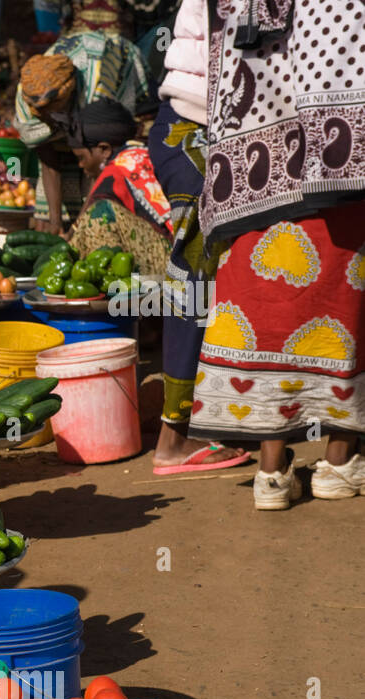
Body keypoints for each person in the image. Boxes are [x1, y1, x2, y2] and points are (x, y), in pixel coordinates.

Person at [189, 0, 365, 509]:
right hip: (338, 162)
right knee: (339, 302)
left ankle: (271, 474)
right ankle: (336, 462)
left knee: (264, 310)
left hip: (251, 167)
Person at [144, 0, 249, 474]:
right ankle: (172, 441)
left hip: (209, 132)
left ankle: (212, 417)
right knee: (193, 275)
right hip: (194, 130)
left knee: (216, 273)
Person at [15, 30, 151, 233]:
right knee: (52, 216)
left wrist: (78, 229)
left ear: (67, 99)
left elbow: (99, 161)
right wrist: (55, 222)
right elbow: (48, 159)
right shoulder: (28, 98)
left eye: (52, 112)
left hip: (116, 69)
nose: (46, 116)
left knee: (95, 167)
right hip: (75, 113)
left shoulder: (99, 90)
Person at [65, 99, 171, 274]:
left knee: (98, 216)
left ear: (105, 149)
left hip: (165, 265)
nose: (80, 165)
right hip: (183, 258)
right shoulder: (143, 153)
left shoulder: (115, 172)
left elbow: (83, 222)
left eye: (81, 158)